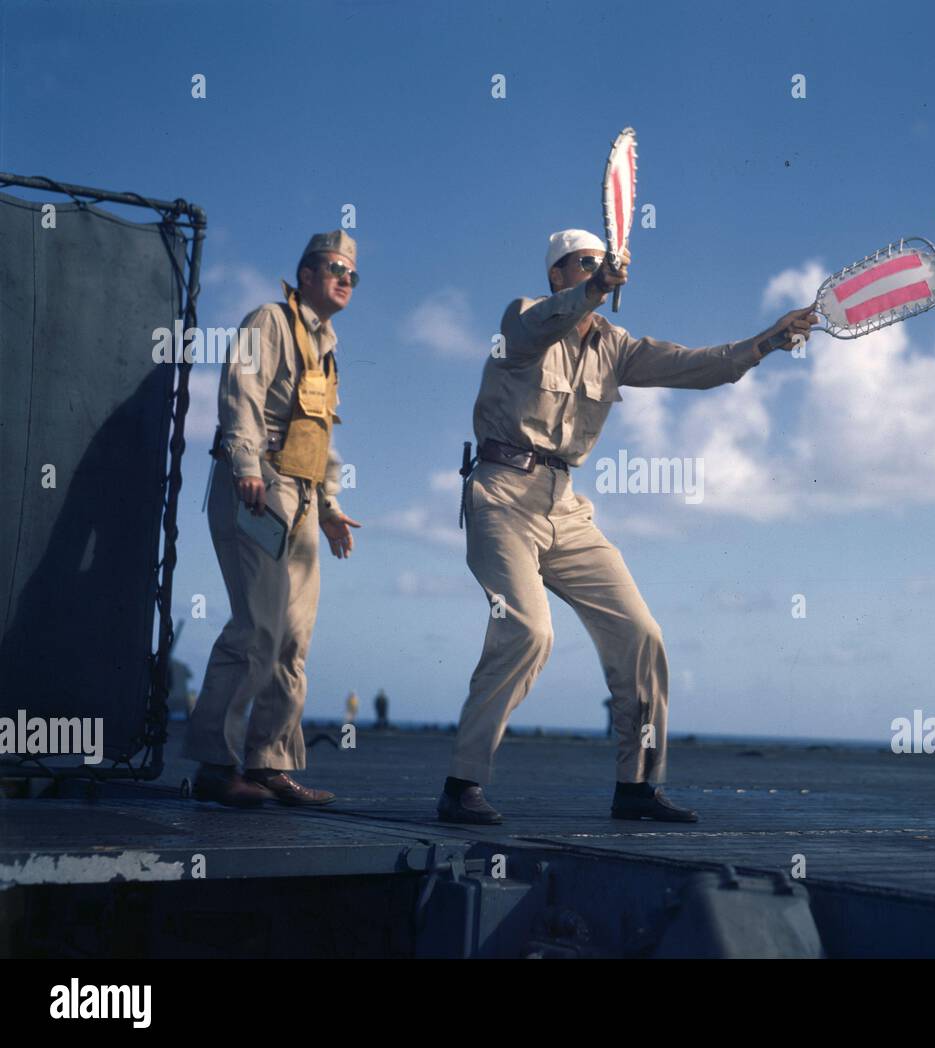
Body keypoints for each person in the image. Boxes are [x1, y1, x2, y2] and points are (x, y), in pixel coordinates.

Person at [437, 229, 815, 824]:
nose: (599, 268)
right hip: (503, 494)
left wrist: (769, 339)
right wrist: (592, 289)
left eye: (604, 262)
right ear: (558, 275)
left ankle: (637, 788)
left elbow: (698, 367)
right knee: (529, 633)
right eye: (583, 264)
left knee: (641, 636)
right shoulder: (525, 316)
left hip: (565, 504)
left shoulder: (617, 346)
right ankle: (463, 785)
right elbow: (532, 332)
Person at [183, 230, 363, 807]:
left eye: (352, 274)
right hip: (259, 484)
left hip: (303, 497)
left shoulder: (326, 349)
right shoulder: (269, 320)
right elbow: (242, 393)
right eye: (335, 268)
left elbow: (319, 436)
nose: (345, 279)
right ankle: (215, 764)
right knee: (257, 626)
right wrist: (245, 465)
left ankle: (267, 764)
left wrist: (331, 506)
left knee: (291, 639)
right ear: (305, 274)